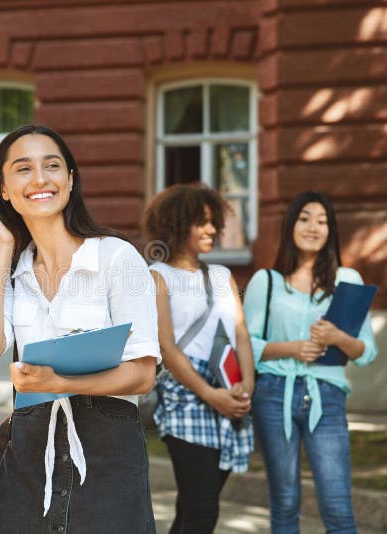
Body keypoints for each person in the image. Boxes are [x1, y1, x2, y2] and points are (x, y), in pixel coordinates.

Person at [0, 124, 160, 533]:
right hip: (30, 450)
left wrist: (61, 381)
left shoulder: (116, 258)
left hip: (108, 449)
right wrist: (2, 246)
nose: (40, 178)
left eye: (52, 166)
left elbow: (144, 374)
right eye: (23, 169)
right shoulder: (13, 270)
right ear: (1, 189)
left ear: (70, 180)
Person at [243, 191, 377, 533]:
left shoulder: (348, 281)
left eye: (322, 220)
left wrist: (338, 339)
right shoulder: (266, 282)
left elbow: (367, 352)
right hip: (273, 394)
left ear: (331, 230)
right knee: (285, 503)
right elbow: (247, 345)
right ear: (291, 225)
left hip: (327, 395)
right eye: (304, 218)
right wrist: (291, 348)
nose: (313, 227)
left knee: (337, 506)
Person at [143, 183, 255, 534]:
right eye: (200, 222)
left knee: (193, 507)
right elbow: (166, 345)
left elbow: (241, 333)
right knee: (203, 508)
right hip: (186, 400)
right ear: (177, 225)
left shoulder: (222, 276)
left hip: (229, 392)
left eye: (213, 222)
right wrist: (211, 396)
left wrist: (245, 389)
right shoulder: (158, 276)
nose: (211, 230)